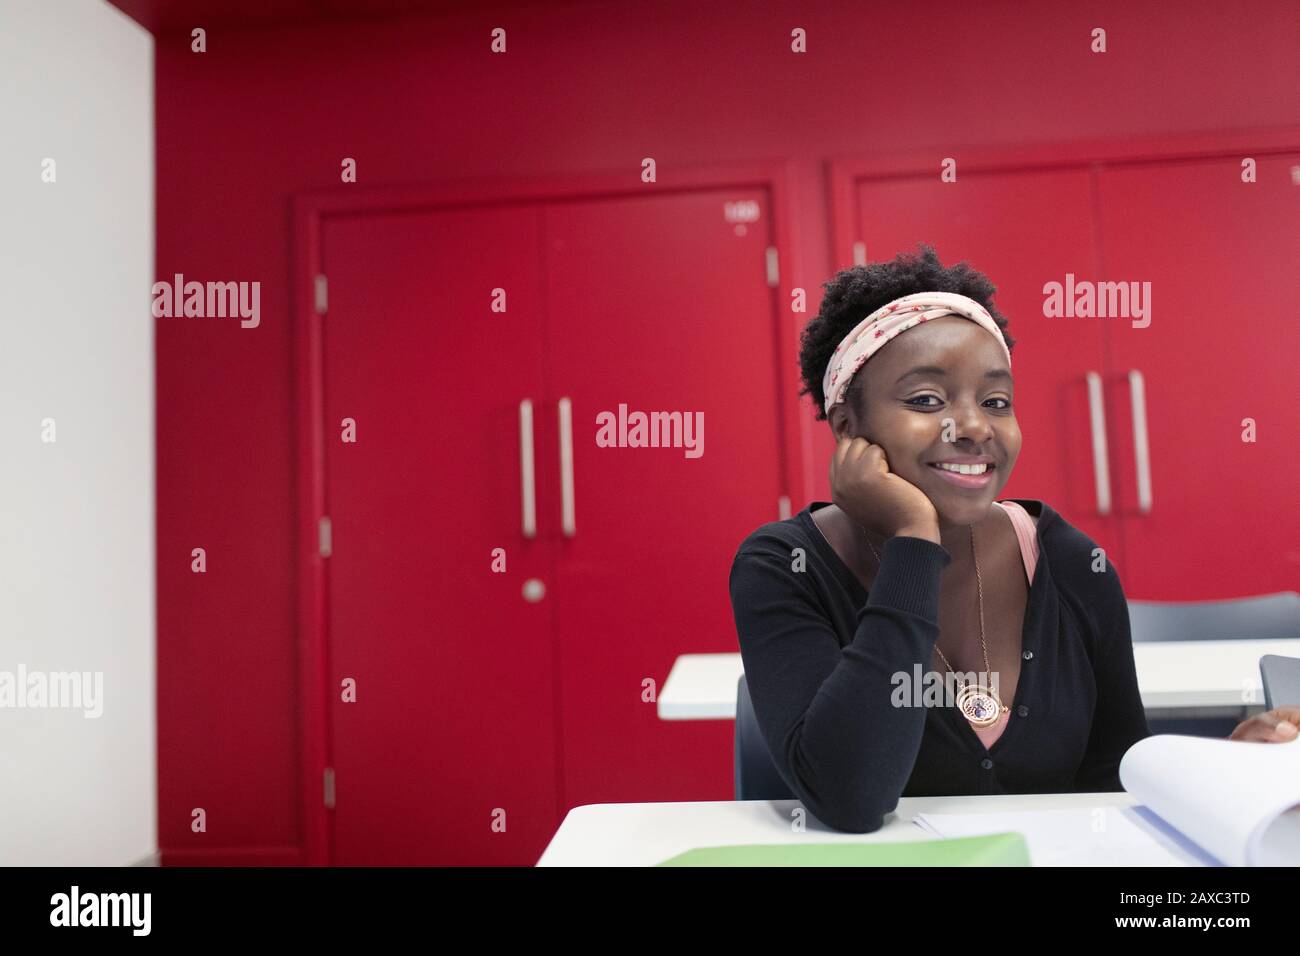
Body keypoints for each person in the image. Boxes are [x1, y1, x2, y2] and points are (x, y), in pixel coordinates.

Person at [727, 243, 1300, 834]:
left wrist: (1224, 772)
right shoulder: (782, 567)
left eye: (996, 401)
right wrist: (915, 538)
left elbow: (1112, 781)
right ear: (848, 426)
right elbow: (848, 797)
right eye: (926, 400)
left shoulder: (1072, 563)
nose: (975, 426)